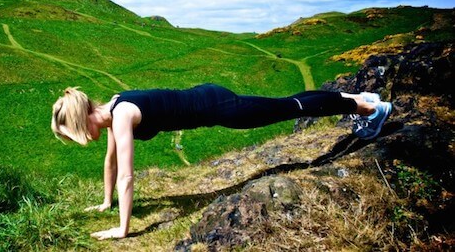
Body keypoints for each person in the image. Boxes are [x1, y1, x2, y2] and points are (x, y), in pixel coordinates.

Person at [50, 83, 393, 240]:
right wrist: (105, 203)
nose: (76, 140)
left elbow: (127, 175)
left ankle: (368, 108)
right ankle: (360, 99)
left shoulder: (121, 114)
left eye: (72, 133)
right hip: (207, 97)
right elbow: (111, 163)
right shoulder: (112, 108)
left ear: (81, 122)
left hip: (216, 107)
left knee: (286, 106)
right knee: (283, 103)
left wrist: (123, 230)